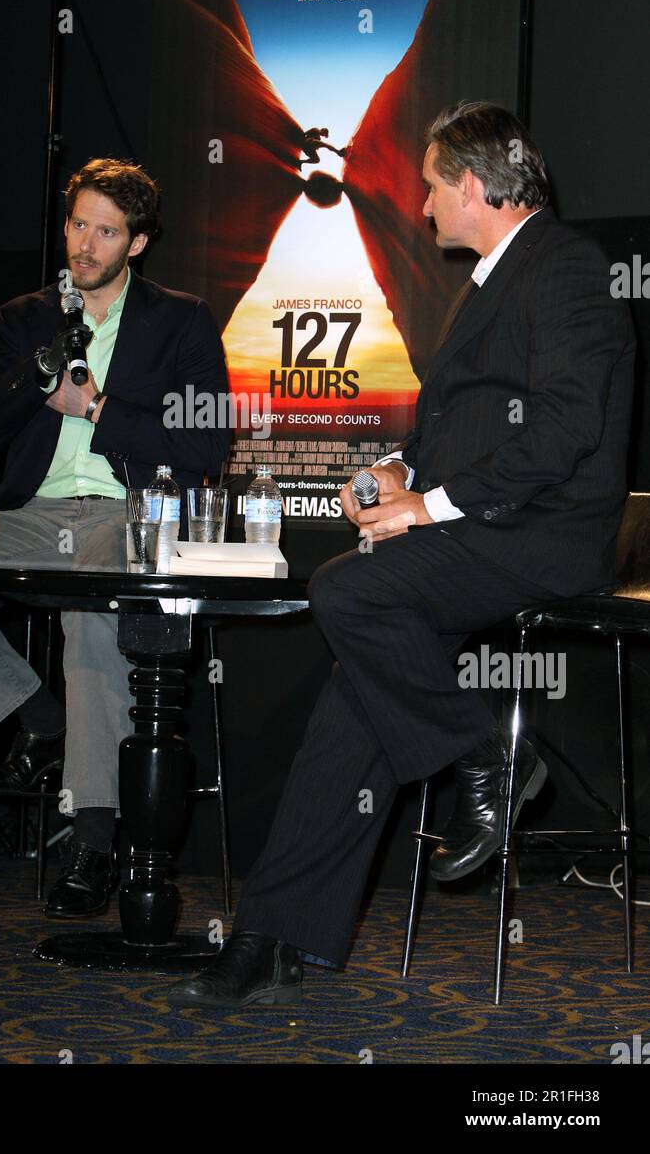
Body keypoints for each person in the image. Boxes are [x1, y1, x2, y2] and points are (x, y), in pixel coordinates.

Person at [166, 101, 635, 1008]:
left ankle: (488, 757)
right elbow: (450, 427)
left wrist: (432, 506)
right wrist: (396, 472)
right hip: (483, 527)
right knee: (360, 691)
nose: (420, 208)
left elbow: (564, 432)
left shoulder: (569, 270)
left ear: (471, 184)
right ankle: (276, 938)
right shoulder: (495, 281)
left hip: (547, 535)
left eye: (429, 186)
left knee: (348, 593)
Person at [0, 158, 231, 916]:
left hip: (126, 514)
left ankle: (94, 836)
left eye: (106, 231)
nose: (86, 243)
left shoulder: (181, 319)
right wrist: (39, 382)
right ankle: (37, 717)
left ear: (136, 244)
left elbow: (206, 448)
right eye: (78, 224)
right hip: (32, 514)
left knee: (87, 615)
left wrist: (97, 409)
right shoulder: (25, 317)